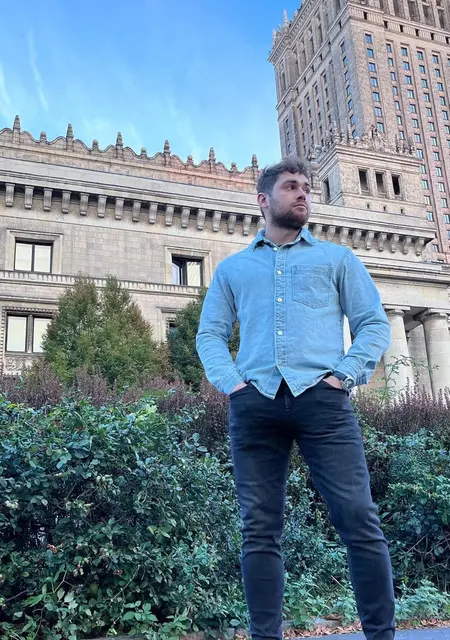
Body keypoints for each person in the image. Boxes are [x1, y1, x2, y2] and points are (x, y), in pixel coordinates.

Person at [196, 156, 395, 640]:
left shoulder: (337, 260)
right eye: (291, 186)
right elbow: (210, 335)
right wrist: (233, 385)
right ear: (263, 200)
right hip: (255, 404)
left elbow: (373, 323)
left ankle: (382, 636)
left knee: (359, 519)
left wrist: (344, 376)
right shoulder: (233, 269)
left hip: (323, 401)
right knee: (259, 529)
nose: (303, 193)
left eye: (307, 186)